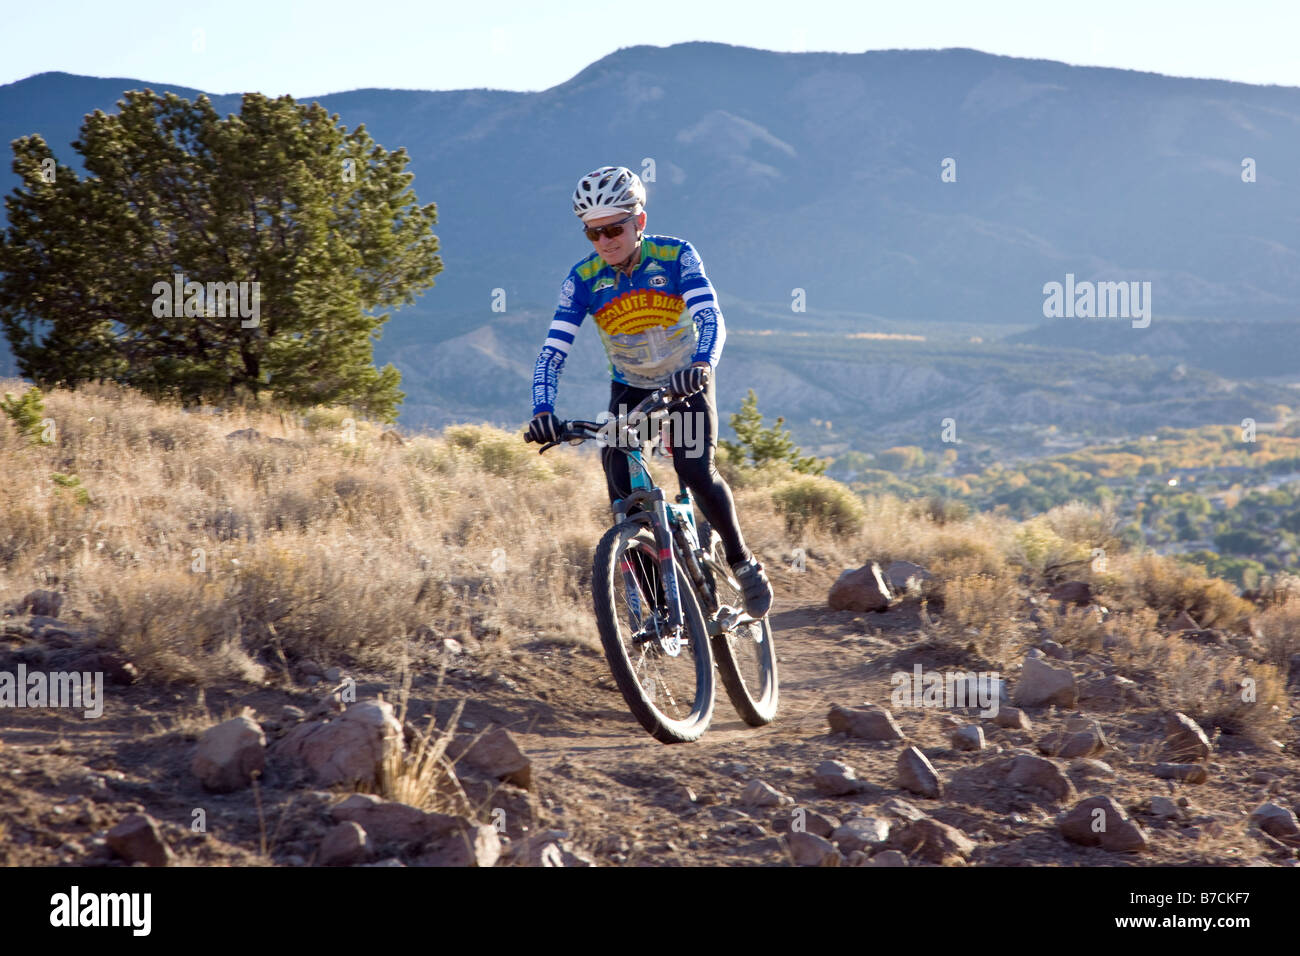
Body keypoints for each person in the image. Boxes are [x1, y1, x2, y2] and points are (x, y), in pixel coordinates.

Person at [526, 165, 773, 619]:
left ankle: (743, 564)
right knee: (622, 492)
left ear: (638, 222)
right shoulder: (582, 279)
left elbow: (711, 318)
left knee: (694, 469)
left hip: (686, 381)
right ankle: (664, 612)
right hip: (631, 388)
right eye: (593, 233)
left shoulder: (675, 255)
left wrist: (701, 365)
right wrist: (542, 409)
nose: (604, 242)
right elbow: (551, 352)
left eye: (614, 229)